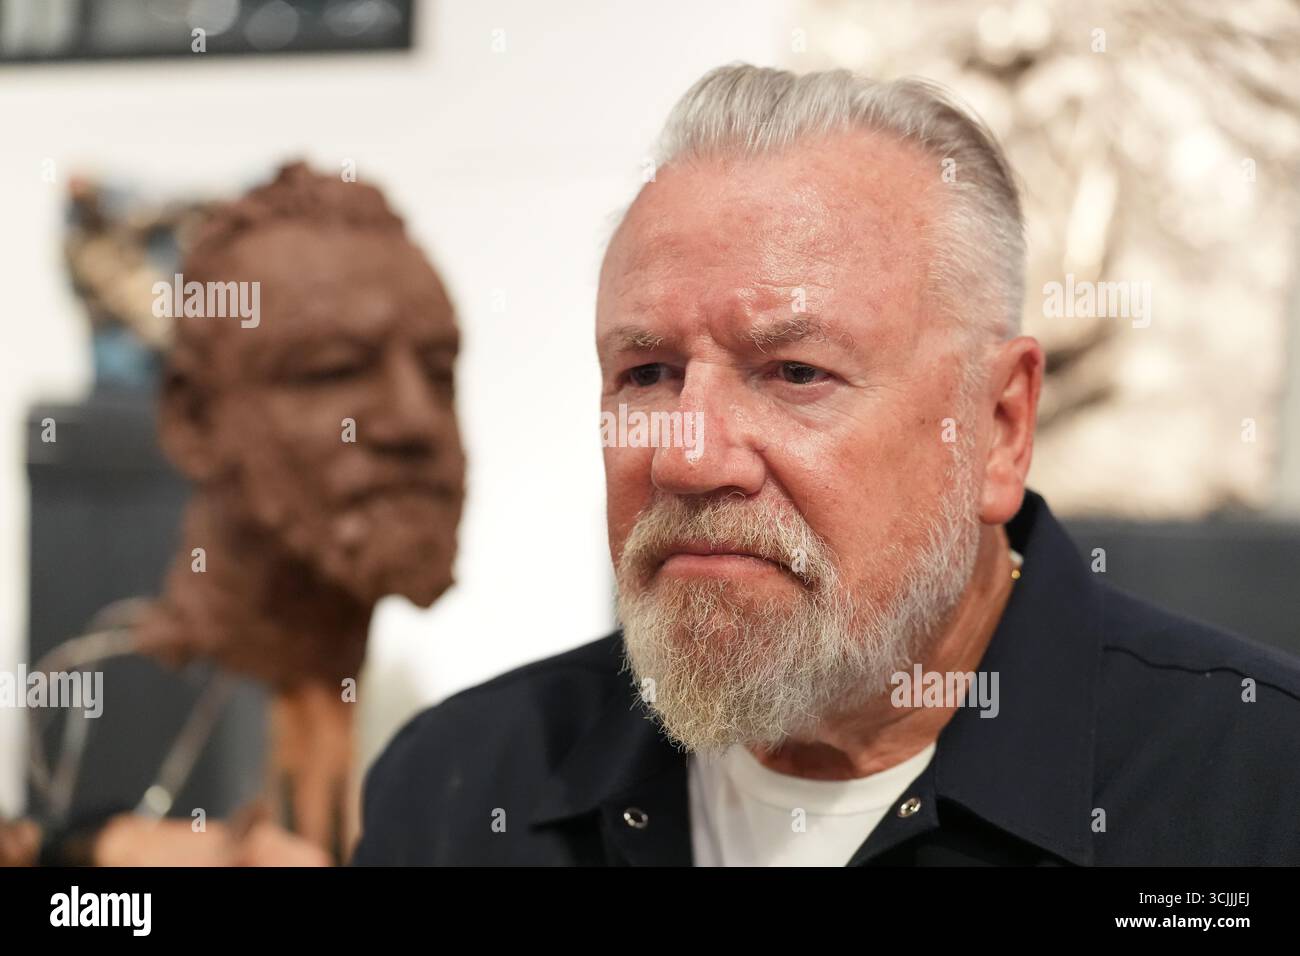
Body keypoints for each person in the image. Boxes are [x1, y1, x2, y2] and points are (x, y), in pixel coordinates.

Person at [352, 65, 1300, 866]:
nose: (689, 459)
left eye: (795, 372)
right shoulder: (459, 793)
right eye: (647, 373)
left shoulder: (1250, 788)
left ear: (1000, 425)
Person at [29, 162, 465, 866]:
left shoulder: (473, 735)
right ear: (195, 417)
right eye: (333, 368)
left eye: (438, 371)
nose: (415, 421)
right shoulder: (81, 698)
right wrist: (106, 857)